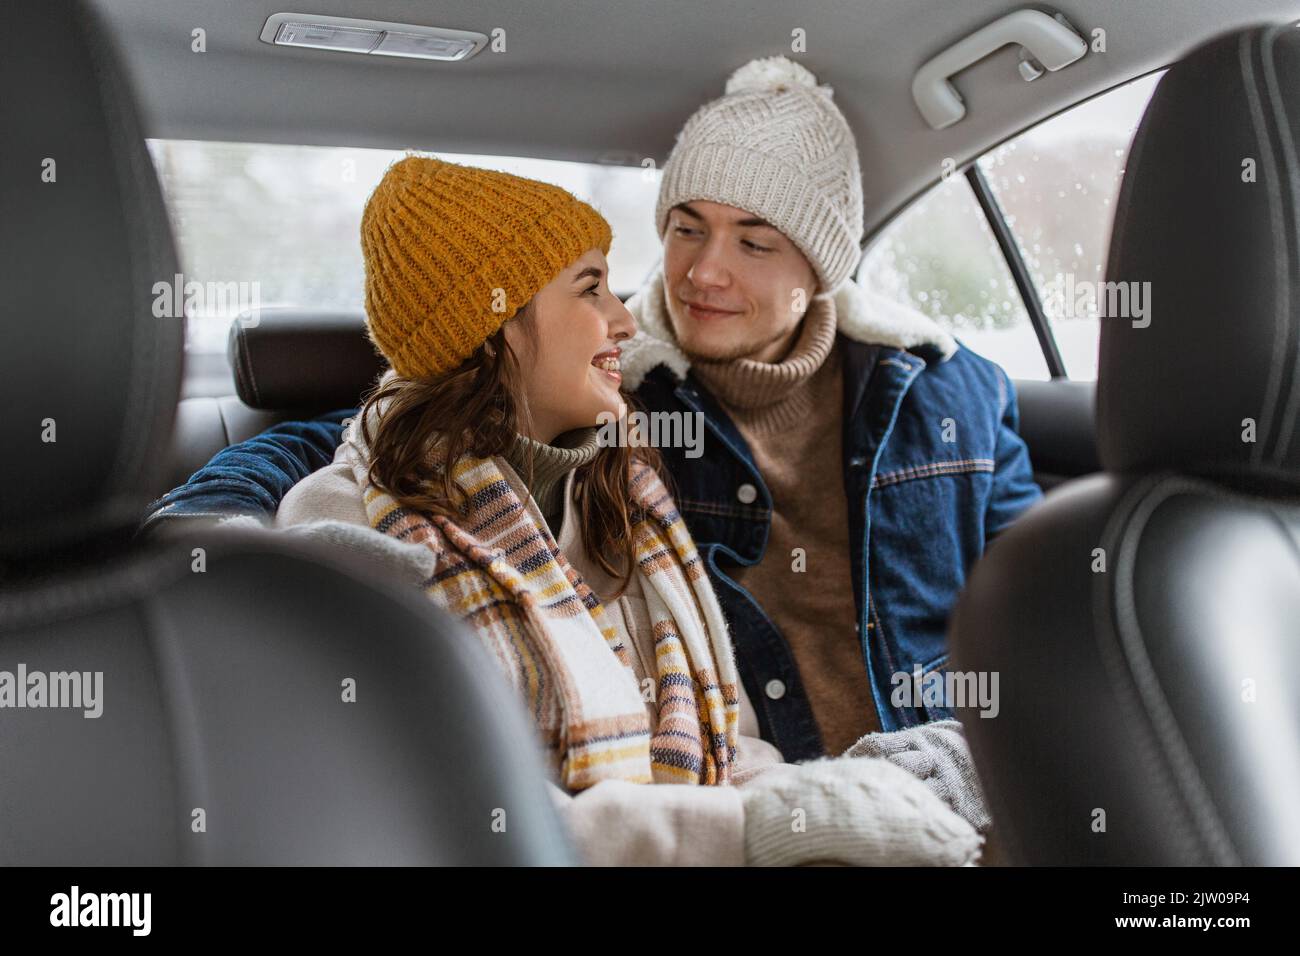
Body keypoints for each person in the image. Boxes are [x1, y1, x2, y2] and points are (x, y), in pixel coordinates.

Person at [145, 54, 1040, 820]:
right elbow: (381, 433)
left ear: (823, 265)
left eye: (755, 243)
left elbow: (1037, 614)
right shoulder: (613, 392)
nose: (704, 271)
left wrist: (968, 760)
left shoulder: (951, 388)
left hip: (942, 785)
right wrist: (213, 533)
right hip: (768, 795)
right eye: (686, 228)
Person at [260, 153, 981, 866]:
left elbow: (731, 740)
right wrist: (749, 831)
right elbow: (438, 815)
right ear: (501, 324)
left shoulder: (627, 491)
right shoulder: (353, 527)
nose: (624, 320)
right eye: (591, 289)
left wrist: (820, 809)